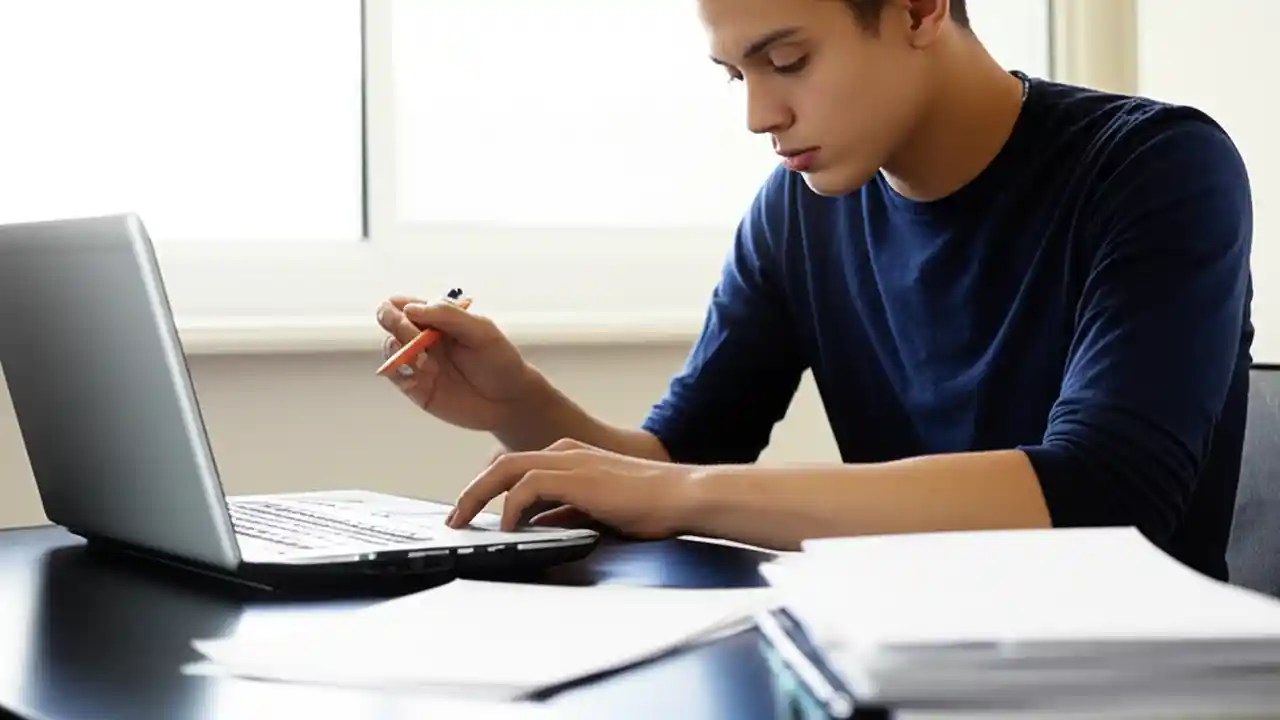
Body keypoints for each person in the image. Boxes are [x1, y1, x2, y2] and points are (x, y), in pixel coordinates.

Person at [375, 0, 1253, 580]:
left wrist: (682, 495)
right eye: (737, 75)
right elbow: (673, 462)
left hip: (1128, 681)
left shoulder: (1157, 168)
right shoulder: (798, 211)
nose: (759, 115)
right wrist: (515, 401)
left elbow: (1103, 496)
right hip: (893, 660)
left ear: (919, 9)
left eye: (787, 60)